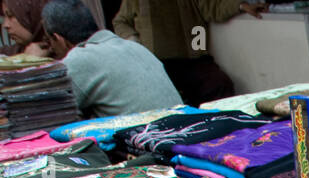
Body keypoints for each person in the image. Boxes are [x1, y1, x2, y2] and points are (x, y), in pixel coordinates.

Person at [42, 0, 182, 117]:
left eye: (50, 41)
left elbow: (49, 114)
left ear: (58, 39)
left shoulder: (79, 58)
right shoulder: (135, 47)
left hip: (151, 143)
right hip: (184, 134)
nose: (52, 49)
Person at [113, 0, 268, 106]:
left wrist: (241, 6)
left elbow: (212, 7)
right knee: (162, 100)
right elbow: (120, 21)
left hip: (193, 58)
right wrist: (136, 44)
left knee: (219, 84)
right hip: (157, 63)